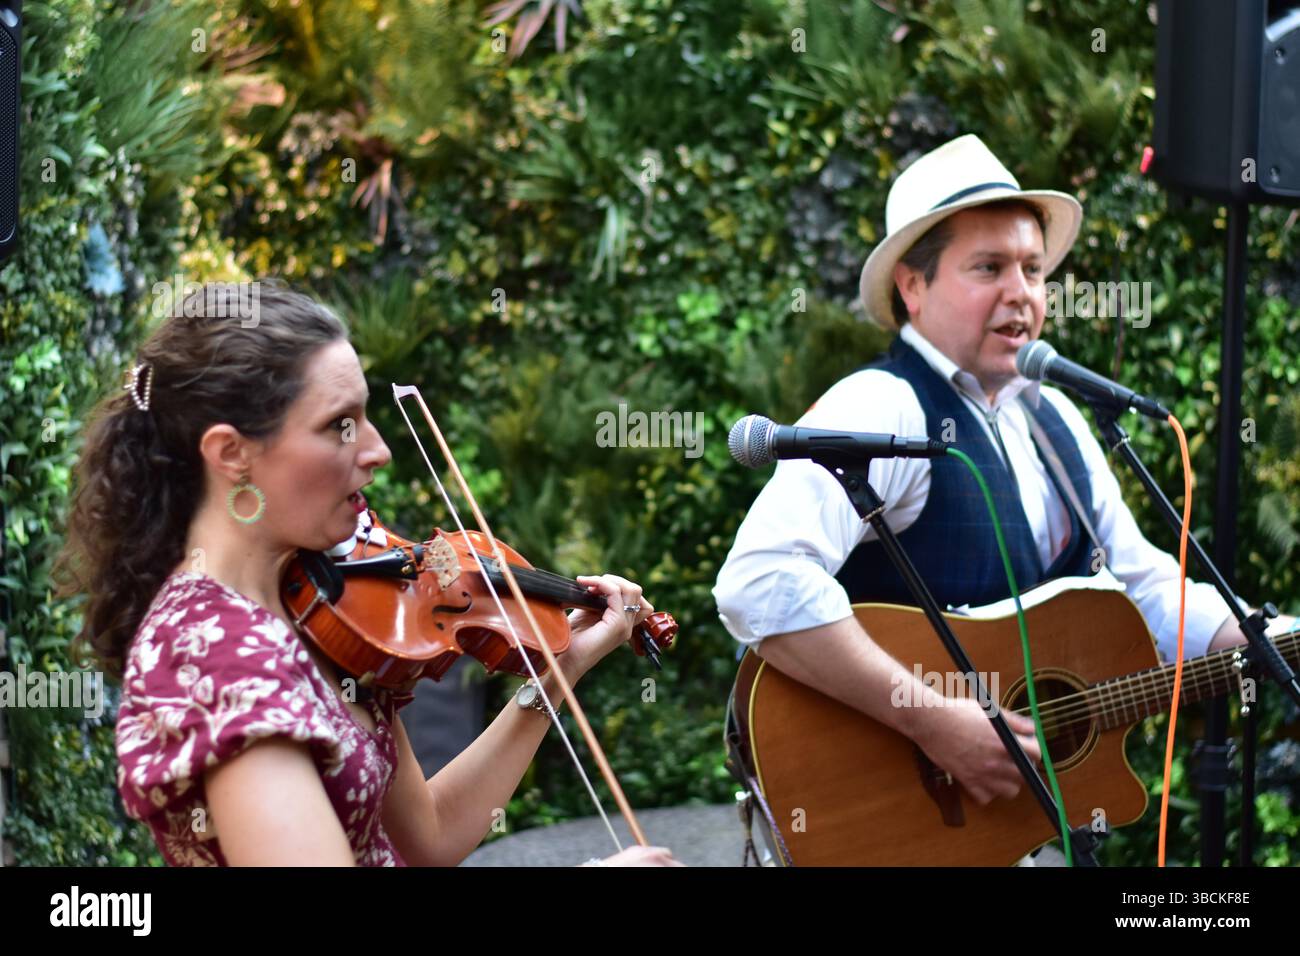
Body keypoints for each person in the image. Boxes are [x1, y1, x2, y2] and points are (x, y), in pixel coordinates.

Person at [713, 134, 1295, 842]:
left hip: (1017, 830)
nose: (1021, 292)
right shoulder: (879, 405)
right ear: (912, 285)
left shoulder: (1056, 420)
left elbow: (1145, 590)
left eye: (1032, 268)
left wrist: (1274, 639)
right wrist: (933, 719)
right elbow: (759, 580)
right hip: (893, 826)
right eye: (988, 267)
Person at [58, 281, 680, 867]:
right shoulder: (220, 657)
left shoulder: (318, 606)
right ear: (232, 454)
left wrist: (558, 667)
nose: (378, 449)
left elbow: (428, 837)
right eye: (340, 425)